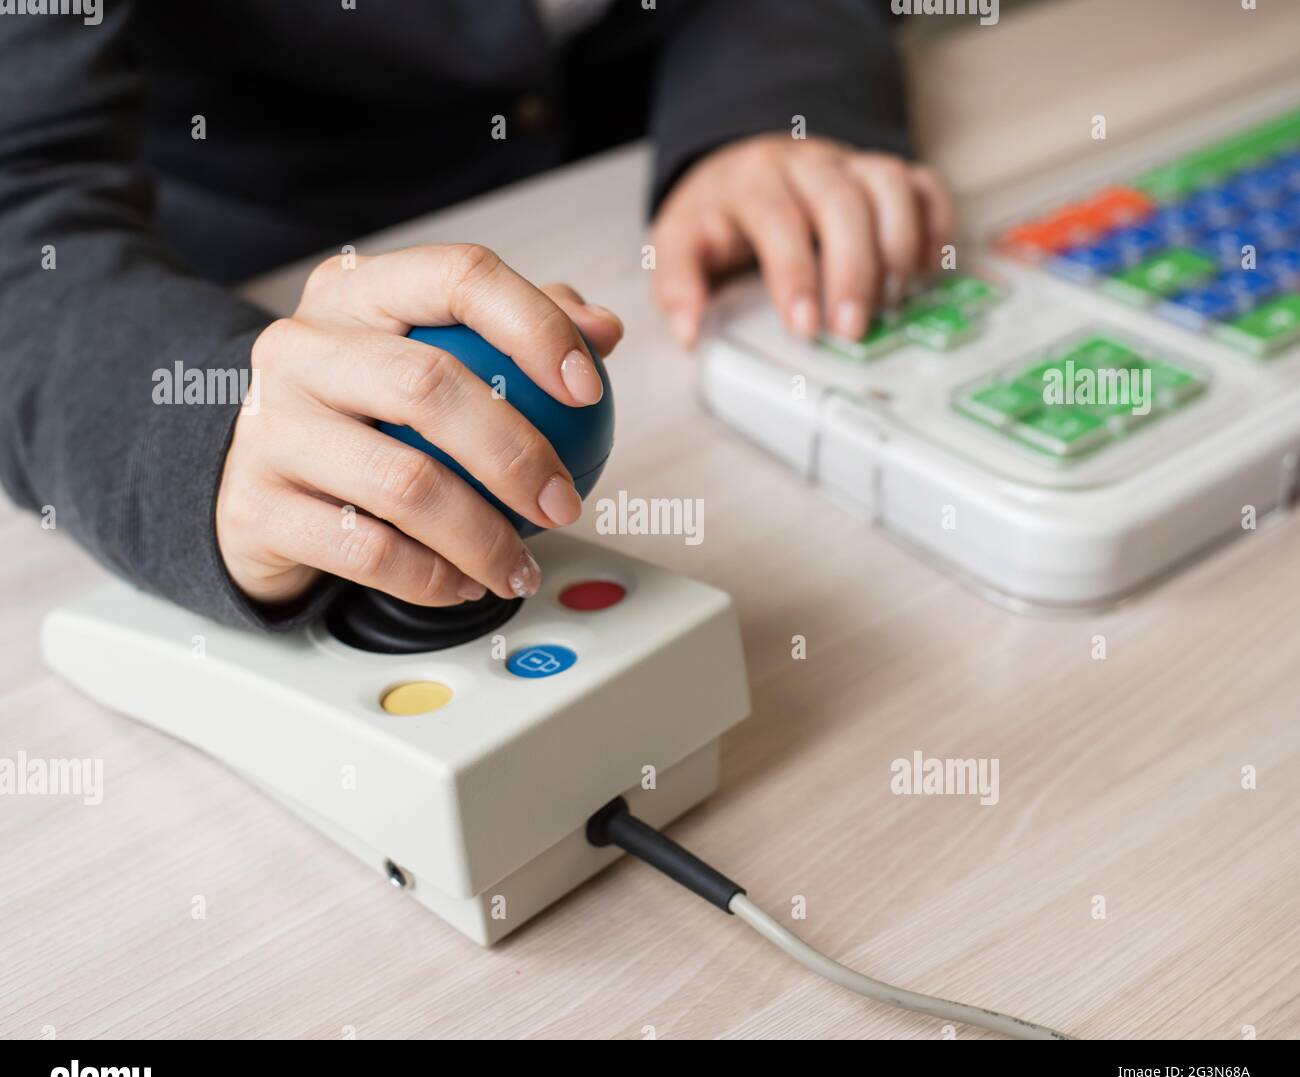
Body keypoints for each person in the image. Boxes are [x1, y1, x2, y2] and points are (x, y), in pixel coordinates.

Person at [0, 0, 954, 628]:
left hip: (632, 176)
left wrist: (765, 111)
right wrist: (215, 428)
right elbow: (19, 203)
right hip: (243, 281)